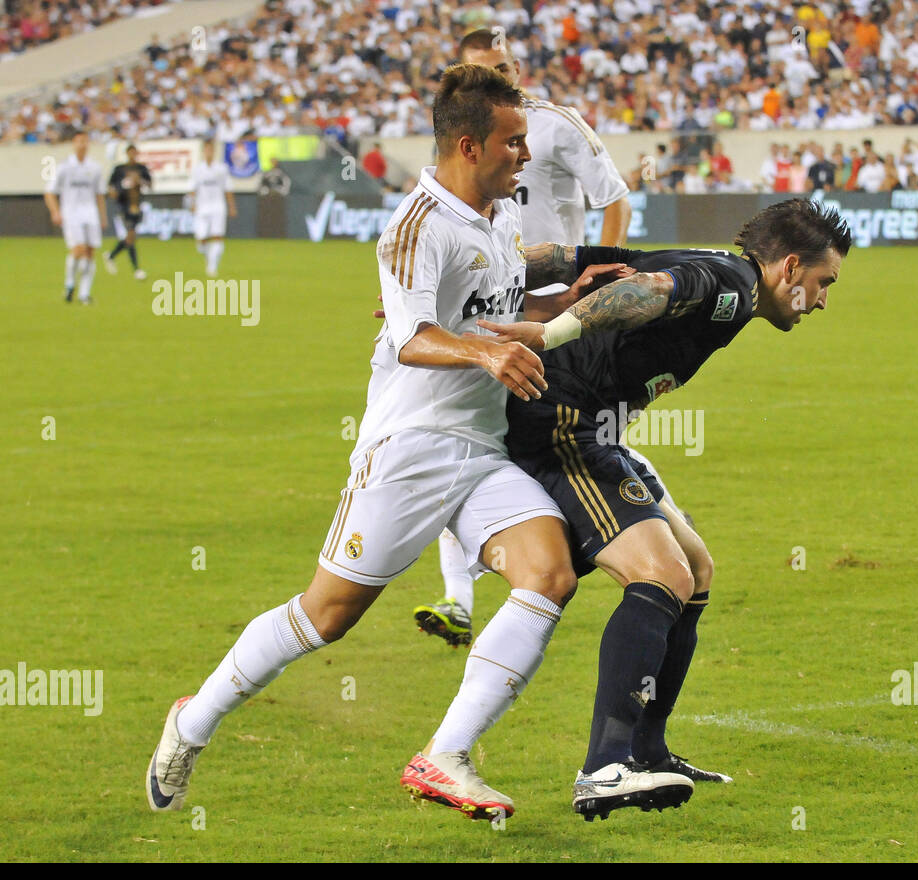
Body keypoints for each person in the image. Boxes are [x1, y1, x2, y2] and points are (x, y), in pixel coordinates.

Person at [145, 65, 653, 823]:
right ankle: (192, 720)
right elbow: (411, 335)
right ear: (471, 145)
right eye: (515, 143)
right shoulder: (416, 226)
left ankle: (444, 755)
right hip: (410, 446)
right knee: (326, 615)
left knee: (548, 574)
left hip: (482, 451)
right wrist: (484, 354)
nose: (527, 154)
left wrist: (576, 280)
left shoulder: (496, 213)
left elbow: (514, 279)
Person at [478, 199, 851, 819]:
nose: (822, 299)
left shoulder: (714, 265)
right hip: (563, 424)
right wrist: (547, 332)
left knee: (696, 570)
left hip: (593, 427)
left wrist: (470, 283)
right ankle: (604, 767)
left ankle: (648, 750)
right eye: (823, 282)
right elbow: (649, 290)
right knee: (663, 574)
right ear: (790, 267)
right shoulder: (729, 284)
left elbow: (572, 258)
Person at [416, 28, 636, 647]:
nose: (500, 79)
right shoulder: (457, 143)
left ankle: (629, 519)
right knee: (467, 434)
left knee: (574, 432)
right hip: (489, 311)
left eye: (505, 68)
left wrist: (601, 276)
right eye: (484, 71)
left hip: (551, 308)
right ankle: (462, 596)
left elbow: (613, 196)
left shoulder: (557, 126)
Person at [44, 130, 107, 304]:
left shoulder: (94, 167)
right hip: (71, 213)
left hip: (90, 213)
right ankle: (70, 284)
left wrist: (103, 216)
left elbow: (99, 194)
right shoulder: (64, 166)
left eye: (85, 141)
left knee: (90, 252)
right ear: (73, 143)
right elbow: (49, 192)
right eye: (79, 141)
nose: (82, 145)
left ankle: (84, 294)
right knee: (78, 250)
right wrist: (55, 211)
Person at [104, 143, 152, 280]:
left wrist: (140, 182)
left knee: (130, 236)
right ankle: (136, 269)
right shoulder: (119, 169)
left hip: (136, 205)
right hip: (123, 205)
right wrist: (117, 190)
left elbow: (150, 184)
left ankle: (111, 255)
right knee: (131, 235)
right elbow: (111, 186)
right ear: (127, 153)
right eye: (130, 152)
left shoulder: (142, 169)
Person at [190, 140, 236, 277]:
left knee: (217, 237)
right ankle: (209, 256)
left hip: (218, 207)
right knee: (201, 239)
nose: (209, 152)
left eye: (211, 149)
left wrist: (232, 206)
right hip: (202, 207)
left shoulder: (221, 169)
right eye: (207, 149)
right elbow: (192, 189)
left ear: (214, 151)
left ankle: (212, 267)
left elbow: (228, 188)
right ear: (203, 151)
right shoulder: (197, 169)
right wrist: (192, 203)